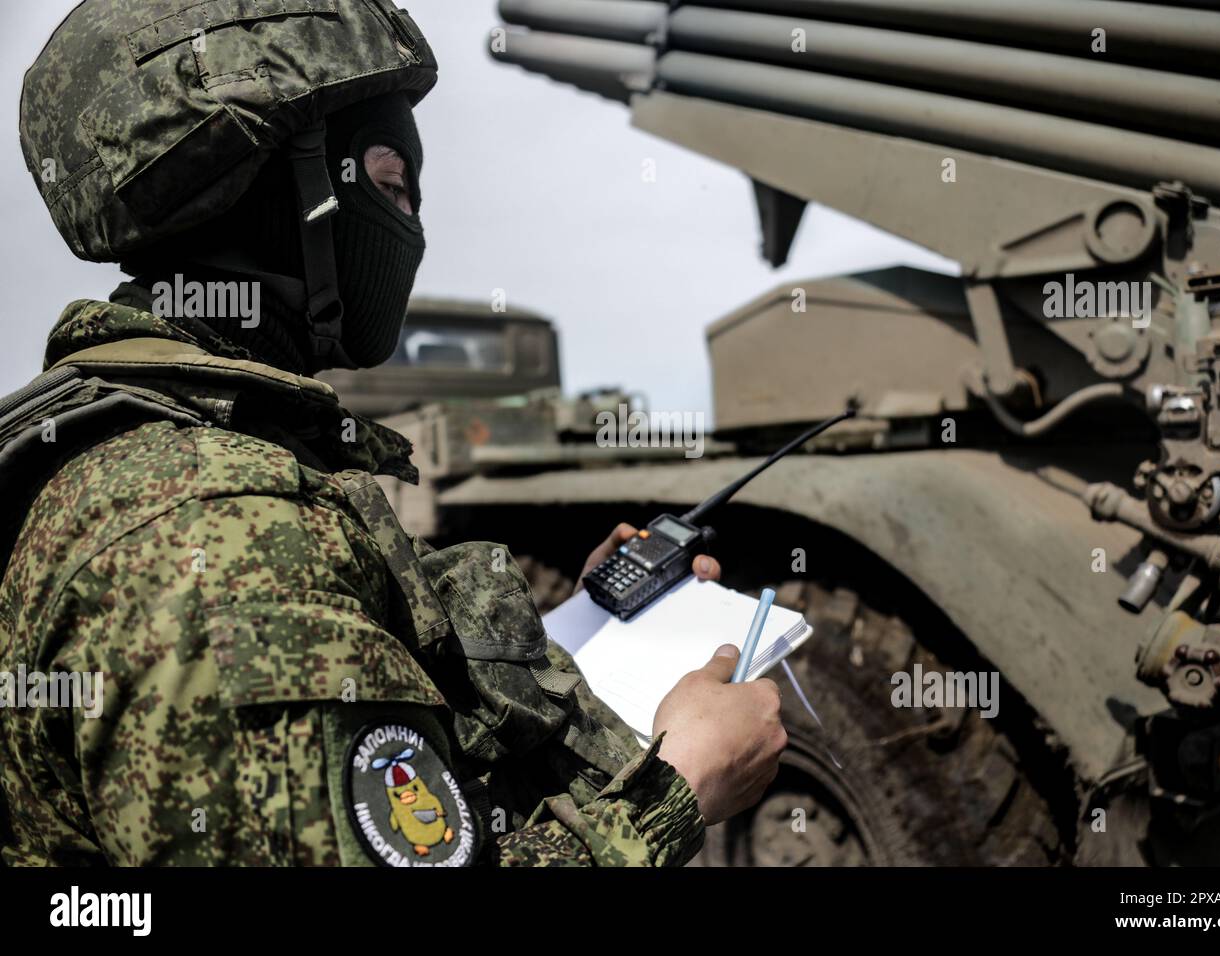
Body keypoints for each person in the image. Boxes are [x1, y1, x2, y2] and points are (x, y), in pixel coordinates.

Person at [0, 0, 785, 866]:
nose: (411, 228)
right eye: (391, 185)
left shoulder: (151, 457)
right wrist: (678, 790)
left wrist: (571, 639)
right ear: (300, 196)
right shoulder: (217, 528)